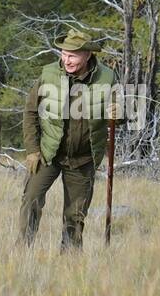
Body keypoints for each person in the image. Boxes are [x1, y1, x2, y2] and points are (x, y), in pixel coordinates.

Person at [19, 27, 124, 250]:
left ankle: (70, 261)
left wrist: (119, 112)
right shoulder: (48, 74)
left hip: (83, 158)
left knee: (75, 216)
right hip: (48, 153)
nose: (66, 60)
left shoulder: (107, 78)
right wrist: (32, 150)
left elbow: (122, 116)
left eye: (73, 56)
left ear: (87, 55)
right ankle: (22, 252)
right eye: (64, 54)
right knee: (31, 200)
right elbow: (30, 112)